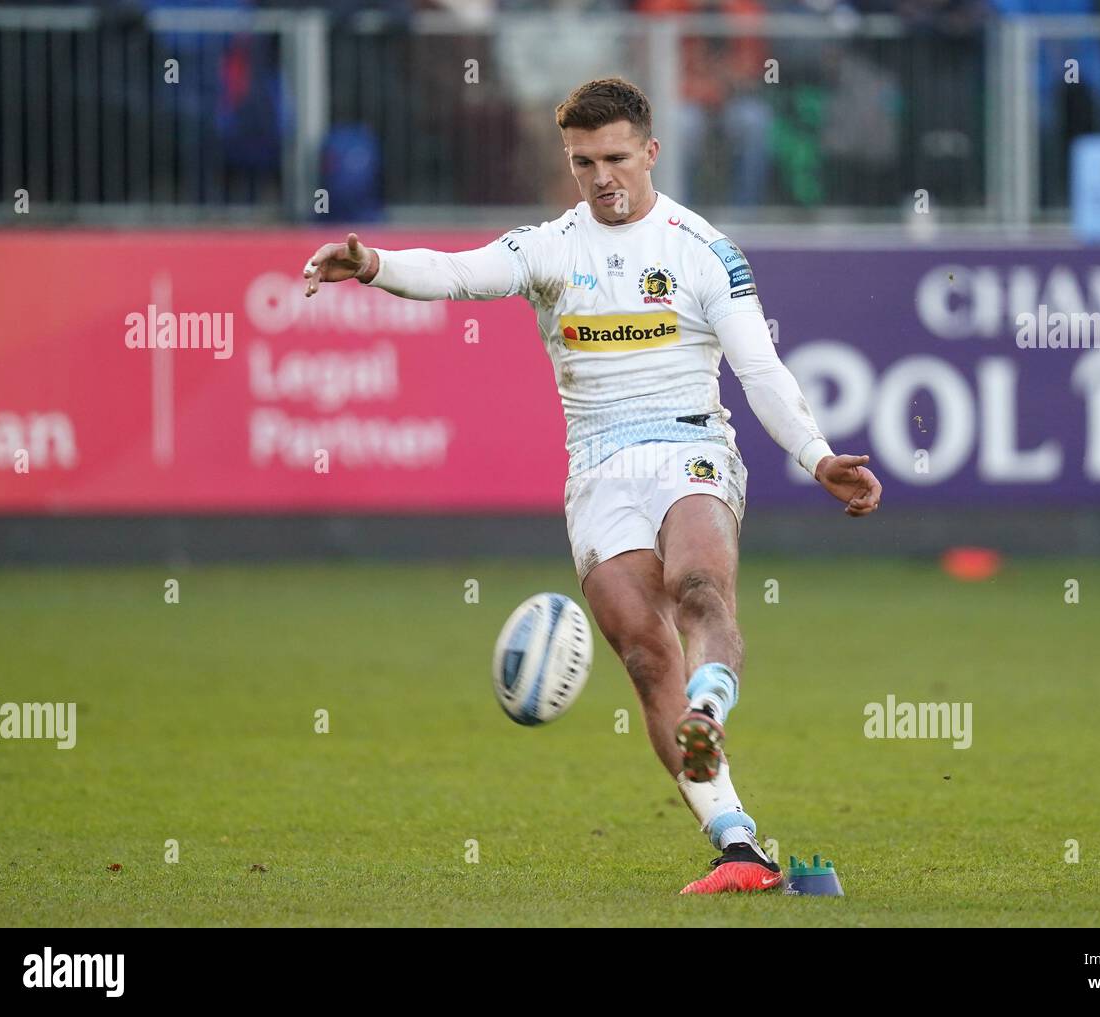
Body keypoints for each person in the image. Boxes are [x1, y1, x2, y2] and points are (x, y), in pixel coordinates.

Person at [302, 77, 881, 895]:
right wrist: (371, 263)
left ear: (650, 152)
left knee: (699, 587)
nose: (602, 176)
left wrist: (816, 455)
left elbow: (758, 367)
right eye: (583, 162)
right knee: (647, 655)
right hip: (598, 468)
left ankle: (707, 711)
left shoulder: (702, 248)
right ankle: (739, 848)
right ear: (569, 162)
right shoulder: (551, 246)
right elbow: (457, 273)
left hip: (690, 446)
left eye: (615, 157)